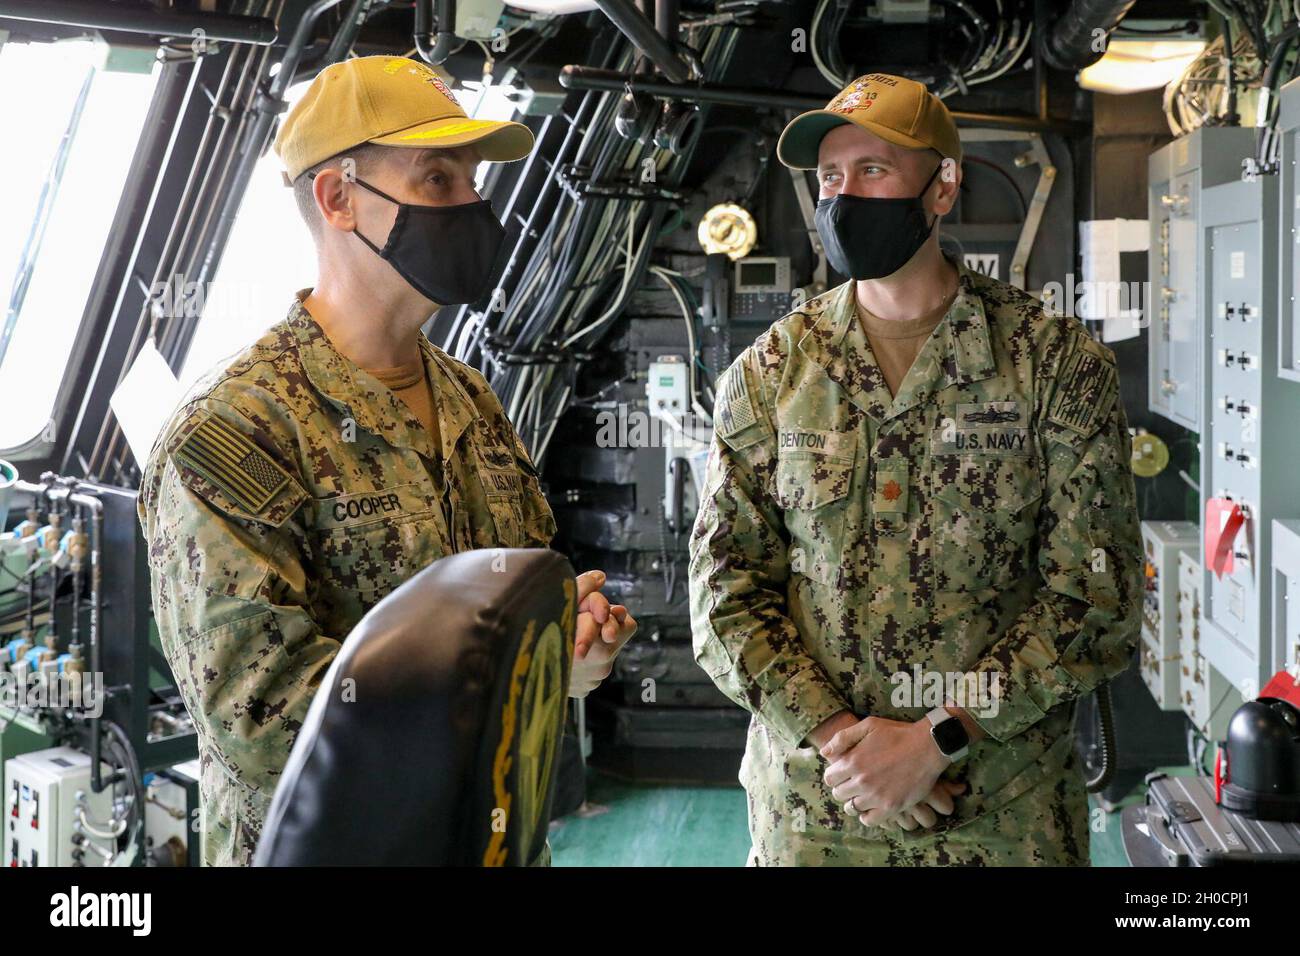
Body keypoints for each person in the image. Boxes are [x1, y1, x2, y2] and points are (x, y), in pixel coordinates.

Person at [137, 55, 636, 867]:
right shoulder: (235, 434)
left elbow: (519, 608)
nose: (472, 208)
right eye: (438, 181)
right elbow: (262, 726)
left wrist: (568, 657)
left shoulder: (471, 400)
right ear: (337, 199)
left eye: (473, 182)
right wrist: (488, 695)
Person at [688, 72, 1142, 865]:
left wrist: (938, 737)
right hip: (815, 811)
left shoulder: (1053, 363)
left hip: (1004, 813)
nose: (843, 195)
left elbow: (1094, 596)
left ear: (942, 187)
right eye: (830, 176)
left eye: (872, 171)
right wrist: (849, 749)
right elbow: (724, 594)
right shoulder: (773, 371)